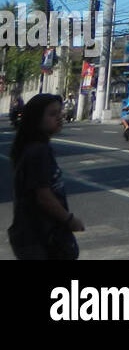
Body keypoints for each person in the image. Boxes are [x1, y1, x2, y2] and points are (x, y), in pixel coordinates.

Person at [7, 93, 83, 260]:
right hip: (36, 236)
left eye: (60, 112)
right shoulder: (38, 151)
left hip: (36, 234)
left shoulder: (37, 147)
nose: (59, 117)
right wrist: (70, 220)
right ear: (36, 119)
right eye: (52, 114)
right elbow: (43, 197)